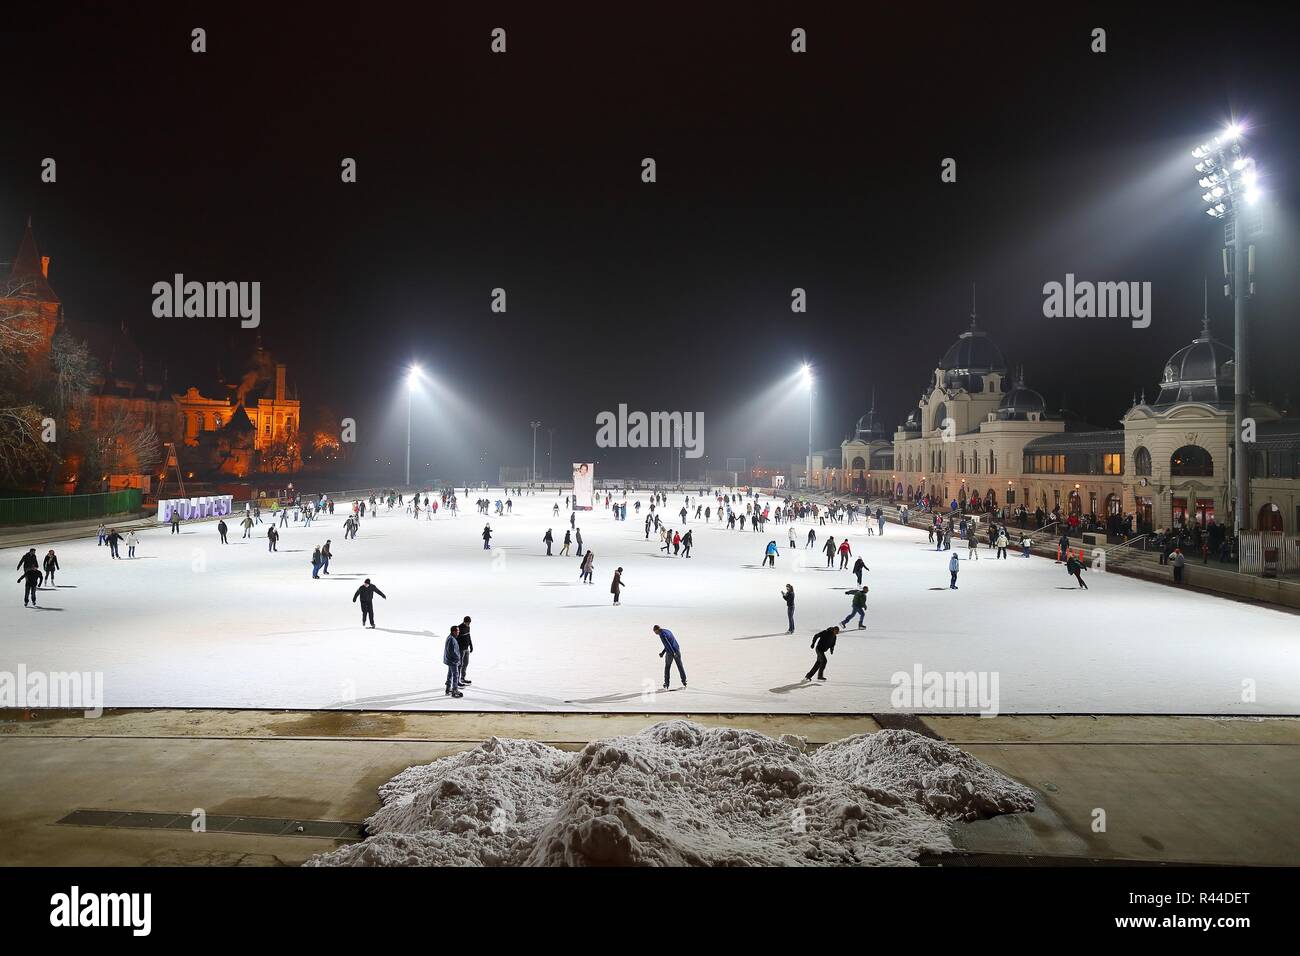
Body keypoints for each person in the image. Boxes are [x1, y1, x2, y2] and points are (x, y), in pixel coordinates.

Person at [653, 625, 687, 690]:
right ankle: (684, 681)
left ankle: (666, 684)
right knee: (680, 666)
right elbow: (669, 643)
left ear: (656, 630)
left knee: (667, 667)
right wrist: (663, 652)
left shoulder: (661, 634)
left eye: (655, 632)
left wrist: (672, 653)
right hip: (677, 649)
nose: (655, 634)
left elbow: (668, 644)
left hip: (670, 652)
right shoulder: (667, 631)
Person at [444, 626, 464, 698]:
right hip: (453, 661)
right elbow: (452, 651)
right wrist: (458, 658)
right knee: (456, 675)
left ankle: (448, 688)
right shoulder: (452, 639)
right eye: (457, 631)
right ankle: (454, 690)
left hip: (450, 660)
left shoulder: (450, 637)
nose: (458, 632)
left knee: (450, 674)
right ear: (453, 631)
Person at [457, 616, 473, 685]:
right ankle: (457, 681)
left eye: (469, 623)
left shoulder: (468, 627)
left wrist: (471, 645)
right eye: (467, 623)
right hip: (461, 649)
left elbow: (469, 636)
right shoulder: (459, 627)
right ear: (464, 621)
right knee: (459, 665)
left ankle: (462, 678)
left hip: (466, 649)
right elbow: (456, 639)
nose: (468, 624)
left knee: (465, 664)